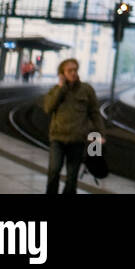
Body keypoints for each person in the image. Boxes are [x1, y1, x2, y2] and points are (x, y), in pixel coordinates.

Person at [42, 58, 105, 194]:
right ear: (62, 73)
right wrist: (60, 89)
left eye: (75, 70)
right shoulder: (55, 90)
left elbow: (95, 113)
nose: (73, 73)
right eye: (69, 70)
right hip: (57, 138)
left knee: (72, 177)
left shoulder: (86, 90)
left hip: (77, 139)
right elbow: (48, 108)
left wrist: (100, 134)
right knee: (54, 170)